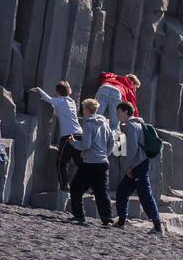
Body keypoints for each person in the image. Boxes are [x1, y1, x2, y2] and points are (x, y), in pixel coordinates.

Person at [115, 102, 162, 234]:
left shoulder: (130, 126)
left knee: (145, 195)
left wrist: (128, 167)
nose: (117, 114)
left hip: (137, 165)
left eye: (118, 111)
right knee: (122, 191)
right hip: (138, 164)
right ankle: (121, 222)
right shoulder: (137, 123)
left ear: (126, 112)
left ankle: (158, 227)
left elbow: (131, 149)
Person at [68, 98, 115, 226]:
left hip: (90, 163)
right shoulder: (105, 123)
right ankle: (108, 220)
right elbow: (112, 142)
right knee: (102, 192)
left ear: (87, 109)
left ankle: (79, 216)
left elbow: (85, 145)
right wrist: (105, 153)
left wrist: (73, 142)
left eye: (83, 108)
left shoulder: (88, 124)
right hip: (103, 162)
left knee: (76, 188)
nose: (82, 111)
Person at [32, 80, 82, 190]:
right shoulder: (72, 102)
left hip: (68, 136)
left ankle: (64, 186)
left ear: (57, 92)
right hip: (79, 133)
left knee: (61, 163)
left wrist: (38, 89)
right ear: (68, 91)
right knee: (80, 163)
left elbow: (47, 99)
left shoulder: (59, 101)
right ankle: (86, 185)